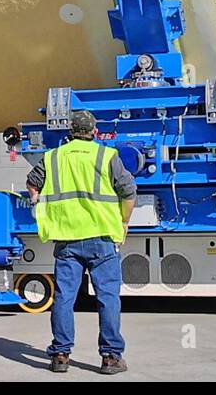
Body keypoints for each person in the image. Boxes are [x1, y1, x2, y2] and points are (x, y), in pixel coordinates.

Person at [26, 110, 136, 375]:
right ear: (95, 132)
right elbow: (129, 192)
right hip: (102, 239)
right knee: (108, 298)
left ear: (70, 131)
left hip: (67, 240)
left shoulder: (53, 157)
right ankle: (110, 358)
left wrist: (37, 204)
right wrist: (123, 222)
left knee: (64, 298)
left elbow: (32, 184)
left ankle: (61, 355)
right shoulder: (107, 156)